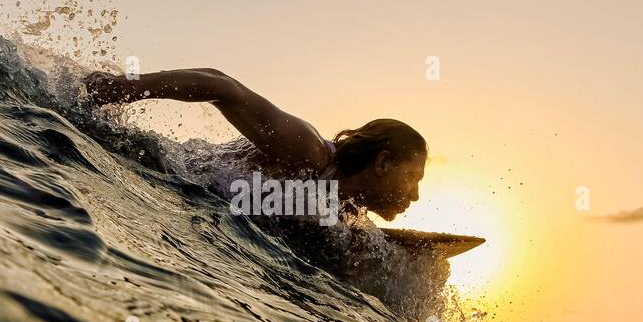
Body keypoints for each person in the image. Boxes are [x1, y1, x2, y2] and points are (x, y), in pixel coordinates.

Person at [84, 68, 426, 220]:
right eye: (413, 178)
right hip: (163, 177)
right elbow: (224, 86)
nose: (414, 195)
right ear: (382, 164)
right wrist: (121, 88)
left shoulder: (346, 205)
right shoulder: (308, 153)